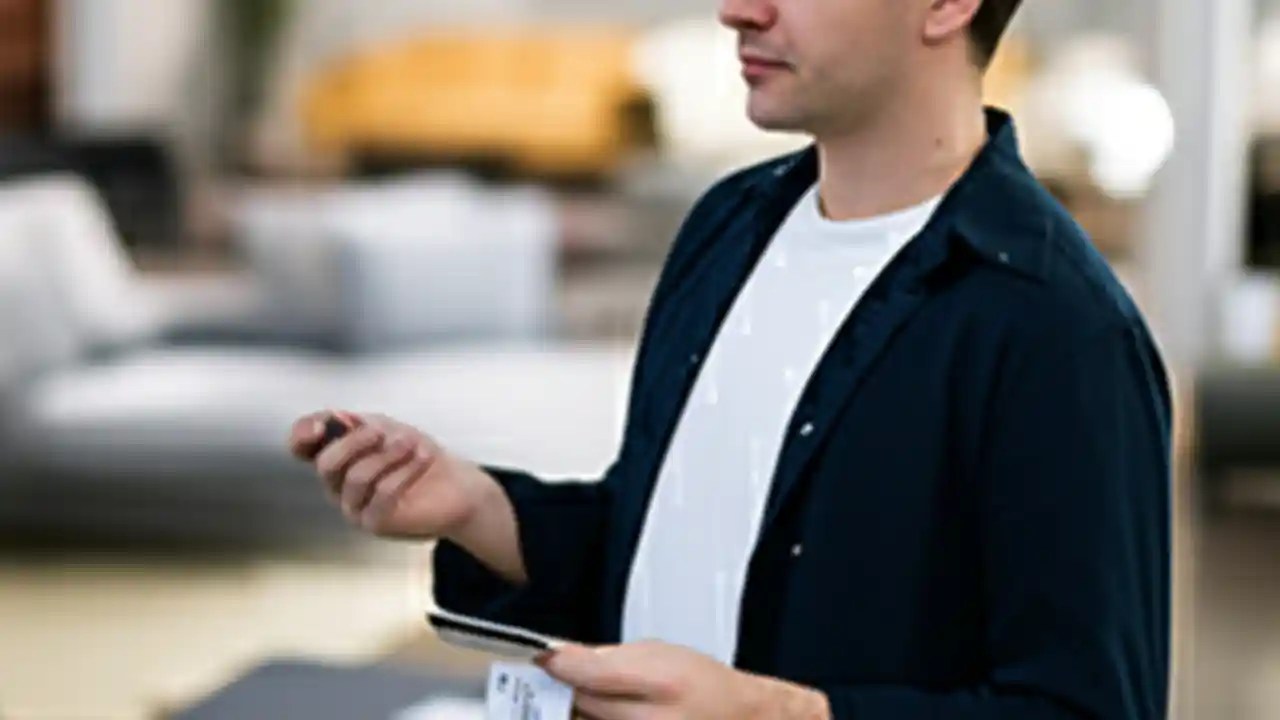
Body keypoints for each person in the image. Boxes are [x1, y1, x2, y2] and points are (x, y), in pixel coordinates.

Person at [288, 0, 1173, 717]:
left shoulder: (1057, 328)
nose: (735, 12)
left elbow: (1085, 708)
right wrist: (481, 509)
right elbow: (673, 549)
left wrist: (777, 714)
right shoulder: (728, 227)